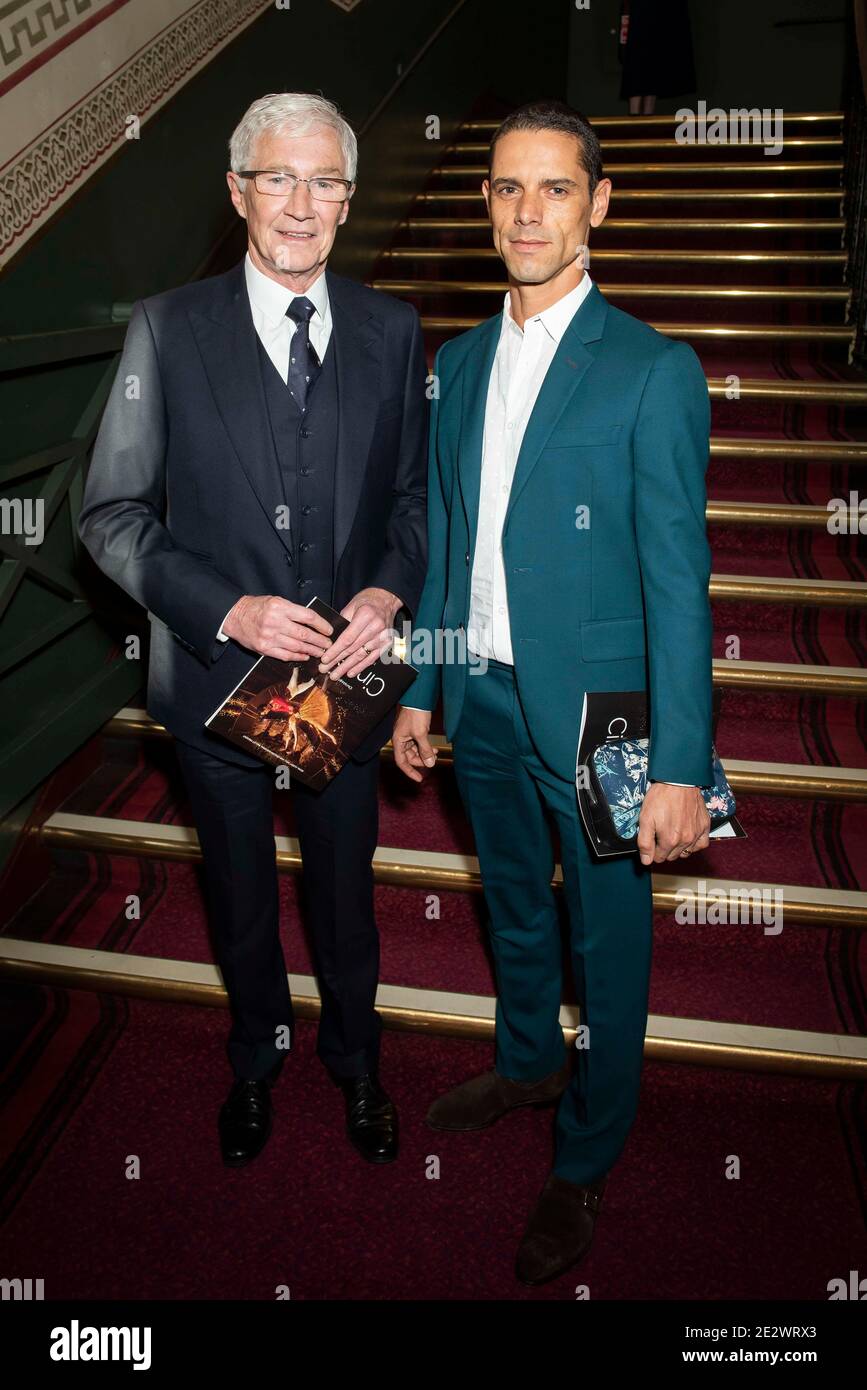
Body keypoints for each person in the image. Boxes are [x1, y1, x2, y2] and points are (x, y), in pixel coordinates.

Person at [394, 99, 712, 1285]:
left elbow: (679, 579)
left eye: (555, 188)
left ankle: (586, 1151)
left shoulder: (652, 369)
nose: (528, 212)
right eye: (507, 188)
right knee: (514, 904)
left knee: (607, 939)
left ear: (598, 205)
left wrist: (679, 764)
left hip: (602, 713)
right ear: (487, 204)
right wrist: (423, 686)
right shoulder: (457, 363)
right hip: (478, 695)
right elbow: (448, 540)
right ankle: (528, 1059)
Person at [78, 92, 428, 1169]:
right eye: (278, 178)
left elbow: (414, 504)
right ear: (237, 191)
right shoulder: (165, 328)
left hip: (345, 686)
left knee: (346, 897)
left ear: (349, 199)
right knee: (237, 897)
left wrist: (387, 594)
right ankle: (256, 1061)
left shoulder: (392, 328)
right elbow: (111, 515)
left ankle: (358, 1063)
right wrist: (222, 607)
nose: (300, 204)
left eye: (324, 182)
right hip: (216, 682)